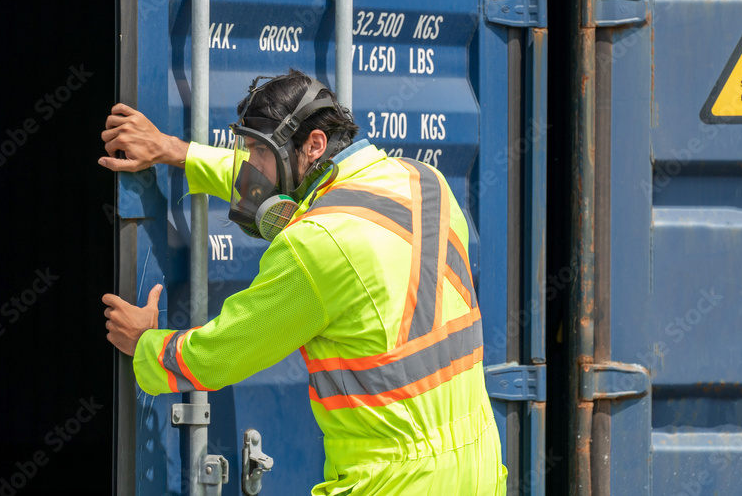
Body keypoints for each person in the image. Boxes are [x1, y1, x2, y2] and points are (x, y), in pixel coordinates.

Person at [100, 70, 507, 495]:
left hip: (394, 482)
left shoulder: (316, 243)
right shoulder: (427, 183)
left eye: (259, 150)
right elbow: (299, 201)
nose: (252, 168)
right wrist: (176, 151)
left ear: (314, 144)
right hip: (478, 468)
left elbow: (221, 354)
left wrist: (147, 343)